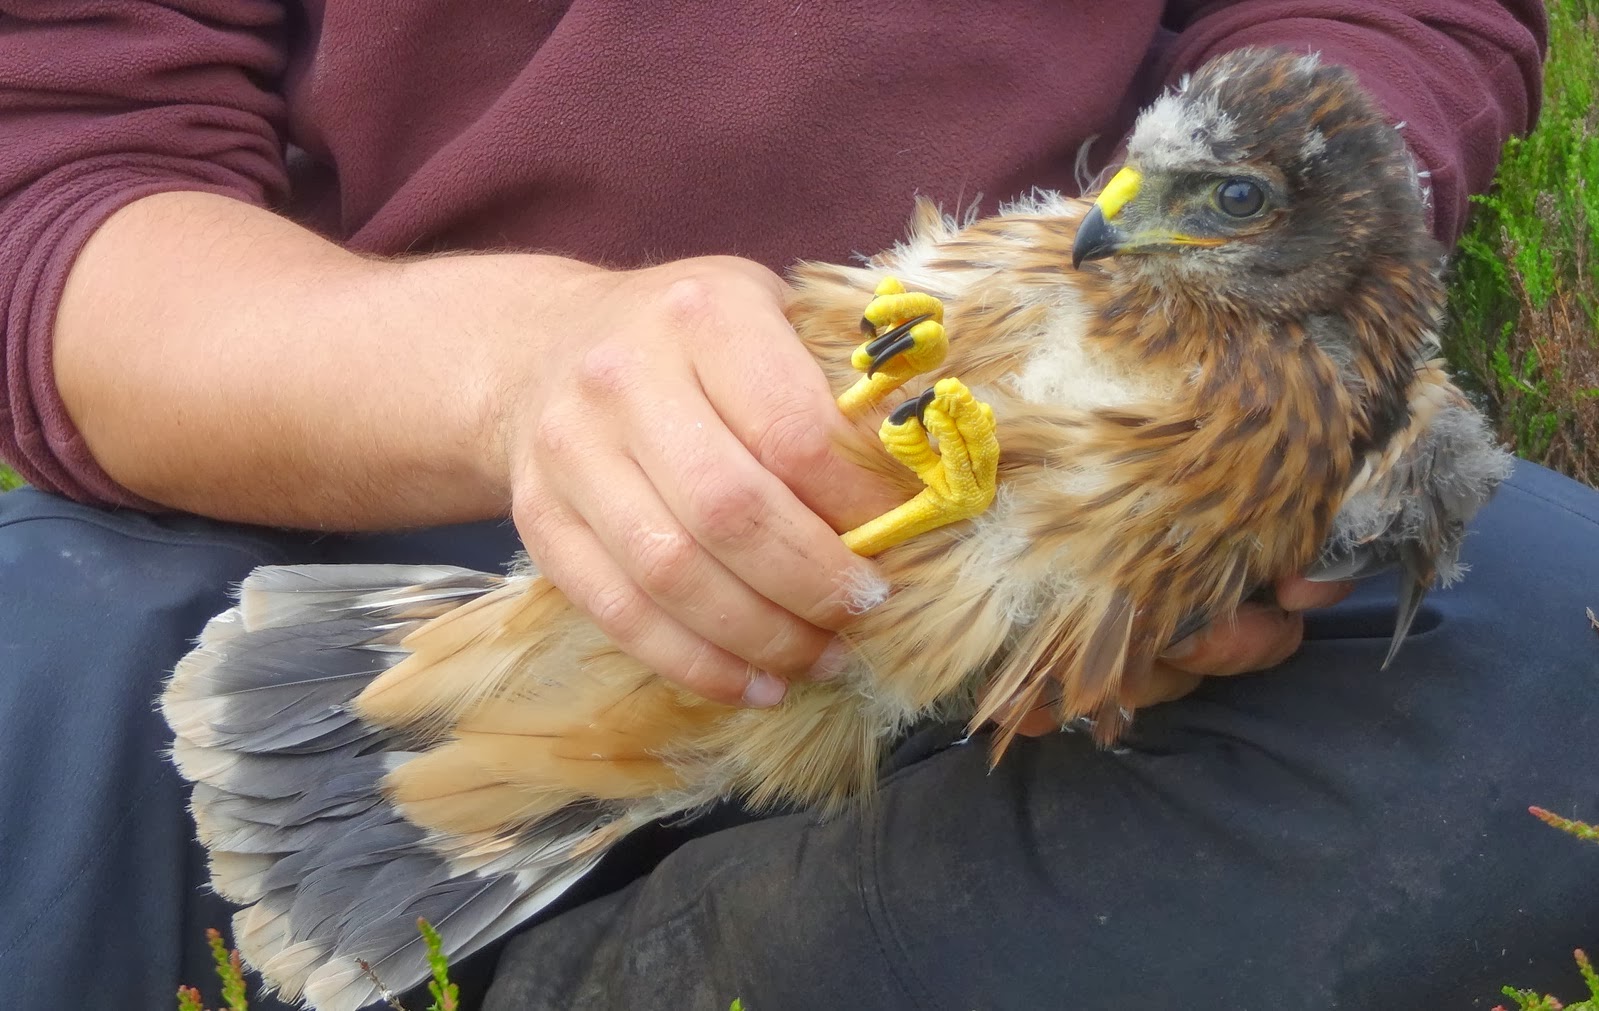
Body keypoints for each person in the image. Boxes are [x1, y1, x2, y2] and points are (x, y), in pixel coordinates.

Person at [1, 2, 1591, 1009]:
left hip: (1013, 629)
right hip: (349, 472)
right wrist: (518, 376)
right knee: (33, 672)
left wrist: (1283, 278)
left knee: (1554, 663)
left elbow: (1392, 22)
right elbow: (66, 184)